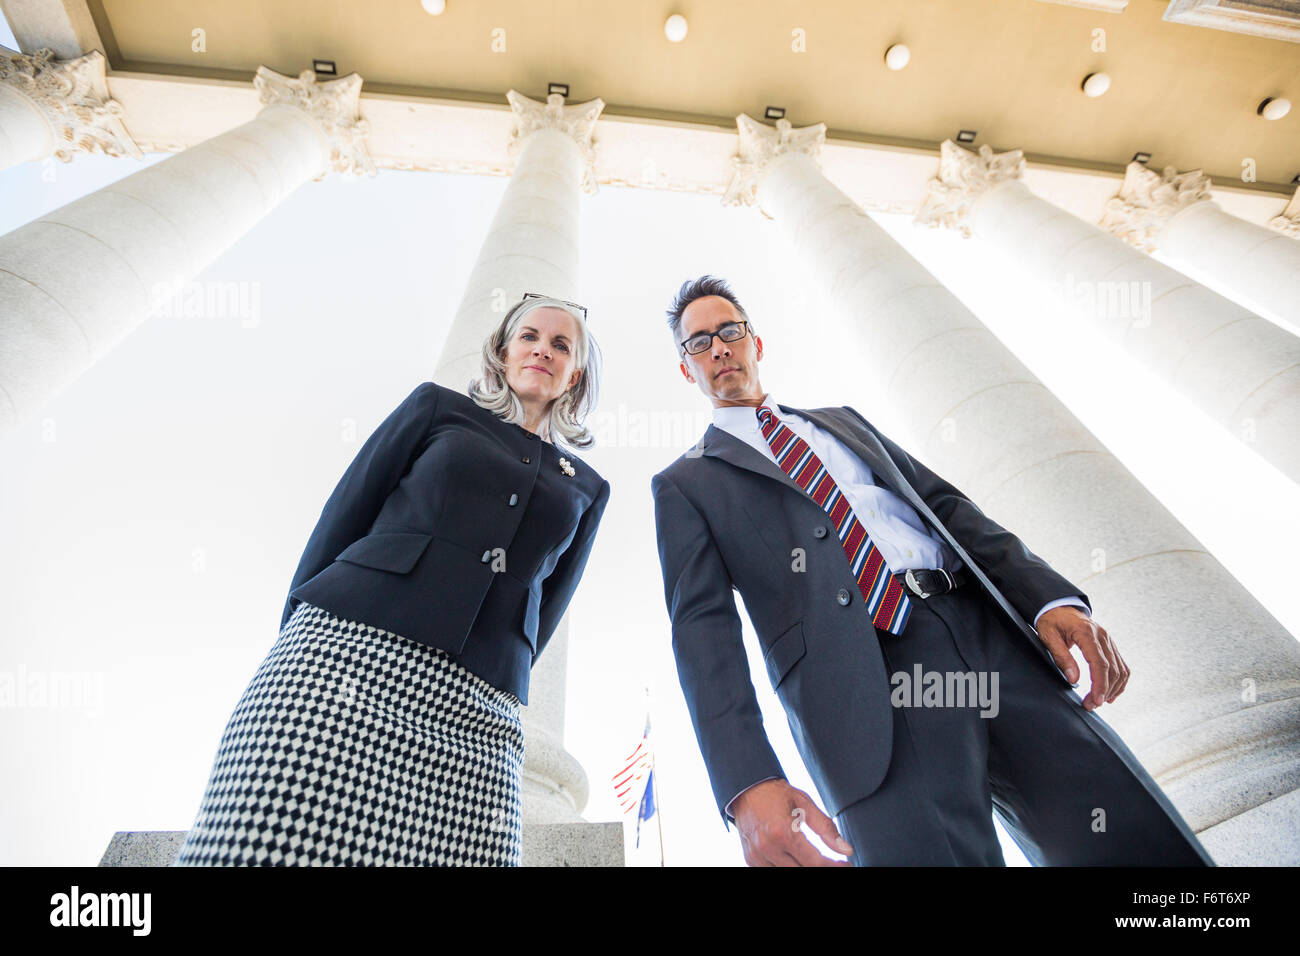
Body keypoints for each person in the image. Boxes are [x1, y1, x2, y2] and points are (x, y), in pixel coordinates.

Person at [651, 275, 1213, 867]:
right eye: (698, 343)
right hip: (866, 690)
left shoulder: (844, 422)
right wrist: (746, 781)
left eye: (729, 332)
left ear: (755, 344)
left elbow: (951, 512)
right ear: (687, 369)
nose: (717, 348)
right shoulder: (686, 484)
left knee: (1122, 829)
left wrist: (1050, 601)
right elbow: (702, 637)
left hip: (987, 636)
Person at [175, 293, 610, 866]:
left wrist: (504, 669)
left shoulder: (587, 486)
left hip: (477, 713)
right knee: (262, 842)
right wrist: (292, 643)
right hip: (340, 668)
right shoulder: (435, 409)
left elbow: (546, 606)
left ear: (575, 374)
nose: (542, 351)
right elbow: (342, 519)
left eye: (561, 345)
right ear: (503, 352)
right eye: (529, 336)